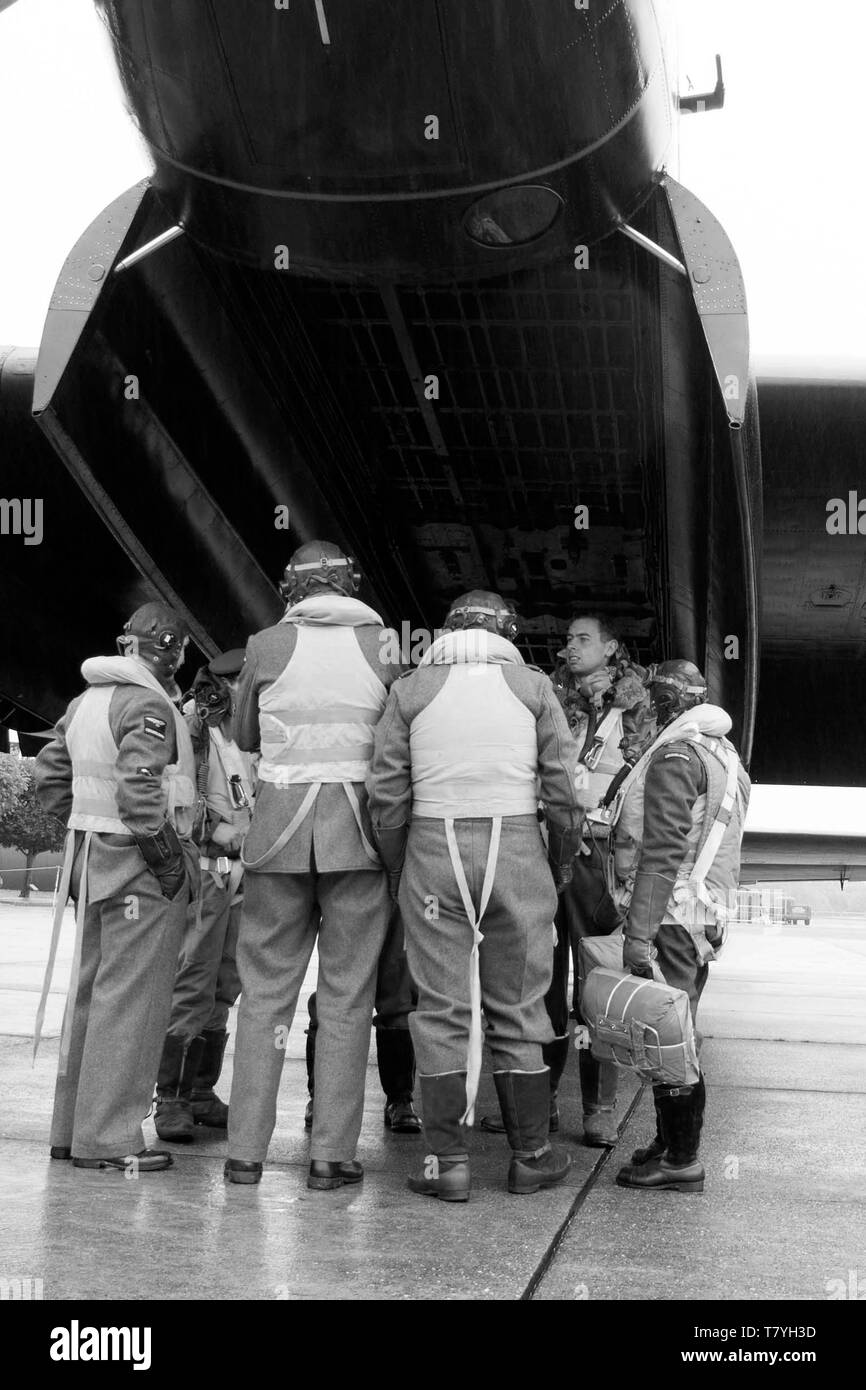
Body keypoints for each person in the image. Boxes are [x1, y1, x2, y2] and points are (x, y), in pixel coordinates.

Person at [368, 590, 587, 1202]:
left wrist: (398, 865)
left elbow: (386, 791)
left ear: (447, 631)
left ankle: (447, 1164)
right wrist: (559, 863)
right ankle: (532, 1156)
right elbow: (565, 793)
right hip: (516, 851)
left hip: (432, 850)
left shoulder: (410, 689)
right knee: (520, 1002)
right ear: (507, 631)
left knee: (440, 1006)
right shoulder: (534, 687)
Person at [224, 542, 402, 1190]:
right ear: (350, 584)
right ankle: (331, 1156)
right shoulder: (383, 644)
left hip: (278, 836)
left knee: (264, 998)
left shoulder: (266, 644)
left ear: (291, 589)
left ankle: (244, 1154)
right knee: (348, 997)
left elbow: (244, 734)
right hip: (358, 838)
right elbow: (396, 740)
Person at [33, 603, 197, 1172]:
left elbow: (49, 775)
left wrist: (84, 828)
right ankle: (110, 1139)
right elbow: (140, 784)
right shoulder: (147, 703)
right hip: (138, 863)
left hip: (90, 857)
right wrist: (165, 855)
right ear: (173, 652)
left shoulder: (85, 702)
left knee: (90, 996)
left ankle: (72, 1131)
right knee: (132, 1002)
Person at [481, 612, 652, 1144]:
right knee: (540, 979)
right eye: (569, 640)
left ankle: (599, 1110)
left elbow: (644, 781)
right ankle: (543, 1101)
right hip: (550, 844)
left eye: (583, 639)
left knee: (598, 981)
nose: (571, 648)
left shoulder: (638, 707)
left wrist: (626, 859)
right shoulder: (549, 697)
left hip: (598, 857)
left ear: (612, 646)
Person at [610, 660, 750, 1194]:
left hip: (669, 918)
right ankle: (670, 1142)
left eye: (653, 699)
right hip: (701, 917)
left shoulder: (674, 754)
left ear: (667, 703)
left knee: (668, 1041)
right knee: (678, 1029)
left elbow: (662, 851)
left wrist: (638, 933)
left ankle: (682, 1159)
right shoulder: (725, 755)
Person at [154, 649, 255, 1142]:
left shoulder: (256, 726)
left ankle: (200, 1091)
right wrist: (219, 830)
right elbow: (177, 797)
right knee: (192, 983)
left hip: (245, 875)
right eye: (247, 680)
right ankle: (170, 1098)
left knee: (225, 983)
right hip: (208, 871)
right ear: (230, 681)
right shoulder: (193, 723)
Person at [303, 912, 420, 1132]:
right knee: (337, 991)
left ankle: (400, 1098)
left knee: (399, 993)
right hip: (349, 883)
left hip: (399, 890)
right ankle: (322, 1095)